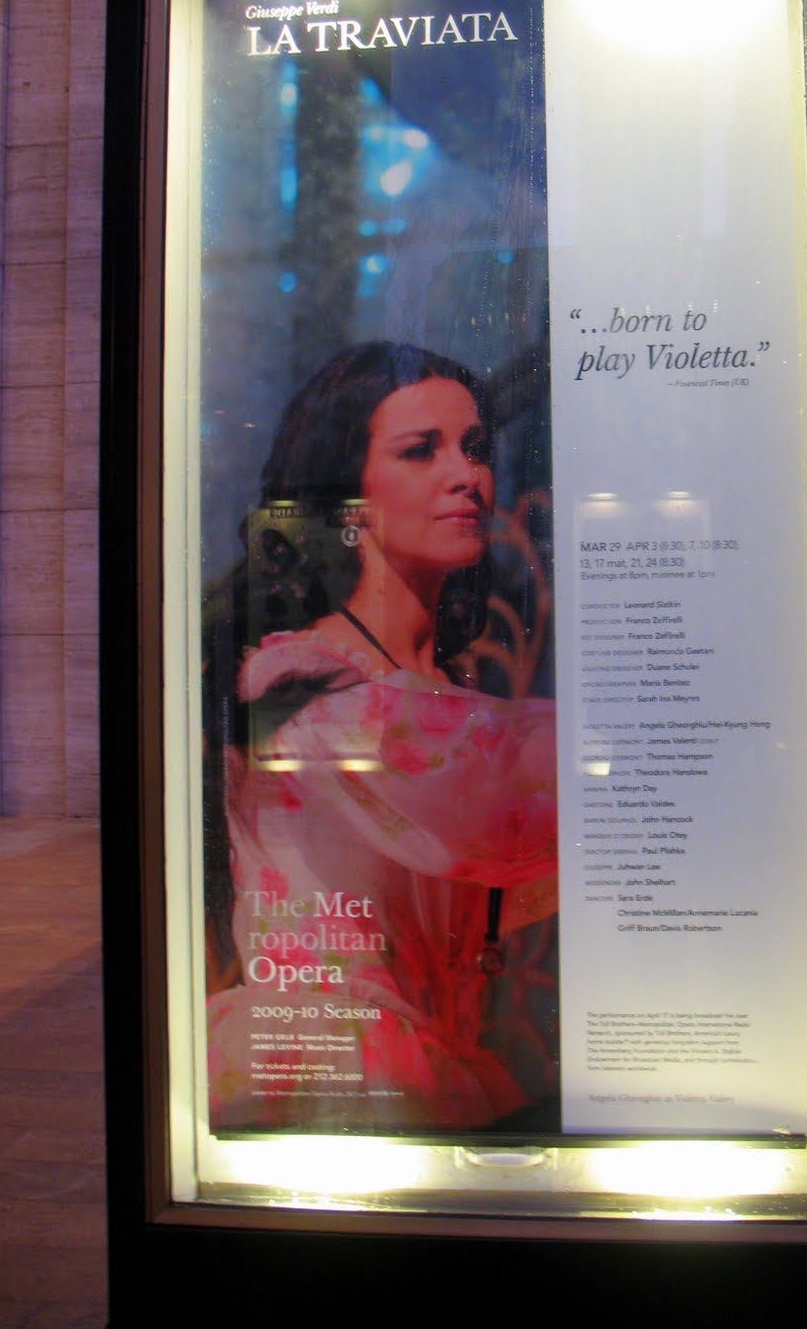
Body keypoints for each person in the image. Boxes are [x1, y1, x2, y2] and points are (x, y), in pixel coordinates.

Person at [204, 342, 558, 1135]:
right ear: (351, 502)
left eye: (474, 447)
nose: (465, 474)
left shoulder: (450, 697)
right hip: (326, 1053)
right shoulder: (298, 677)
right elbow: (518, 781)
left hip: (436, 1055)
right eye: (420, 450)